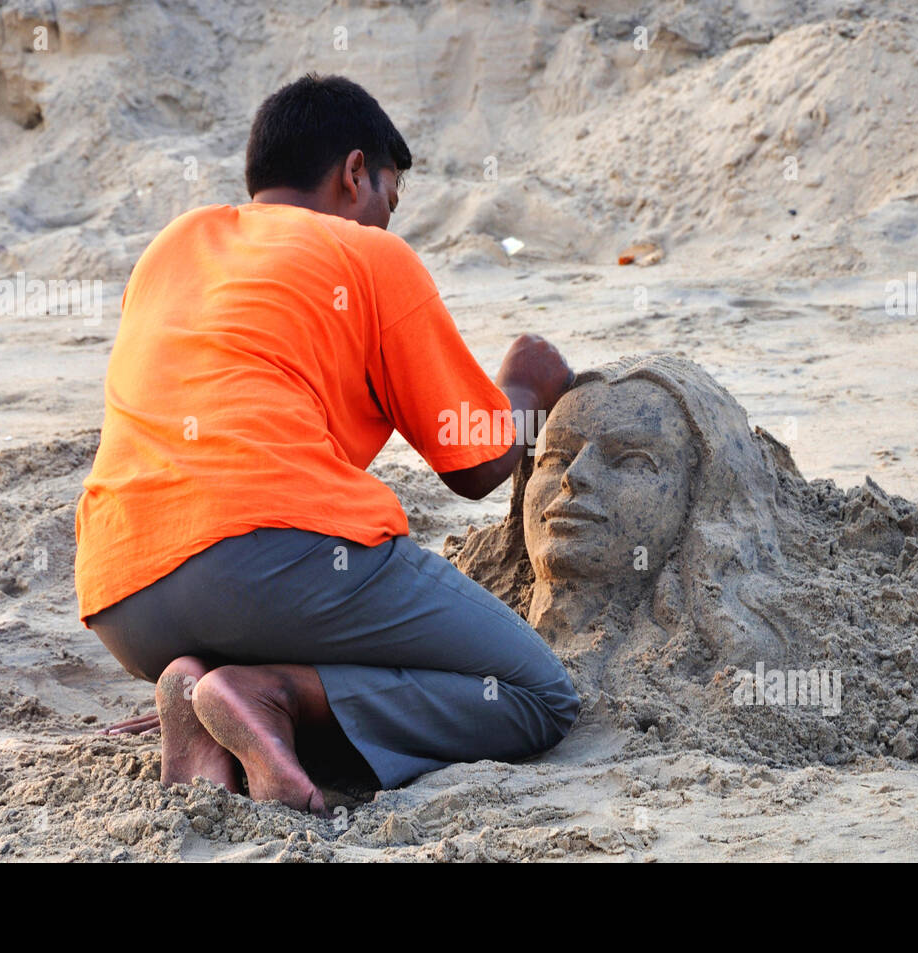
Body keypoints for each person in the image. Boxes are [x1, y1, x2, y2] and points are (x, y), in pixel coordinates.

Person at [75, 74, 580, 815]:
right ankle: (261, 692)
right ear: (354, 173)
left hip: (126, 598)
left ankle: (198, 685)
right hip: (268, 557)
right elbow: (475, 460)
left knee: (301, 617)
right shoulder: (365, 255)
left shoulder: (171, 247)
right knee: (537, 693)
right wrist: (527, 387)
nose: (386, 224)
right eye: (389, 200)